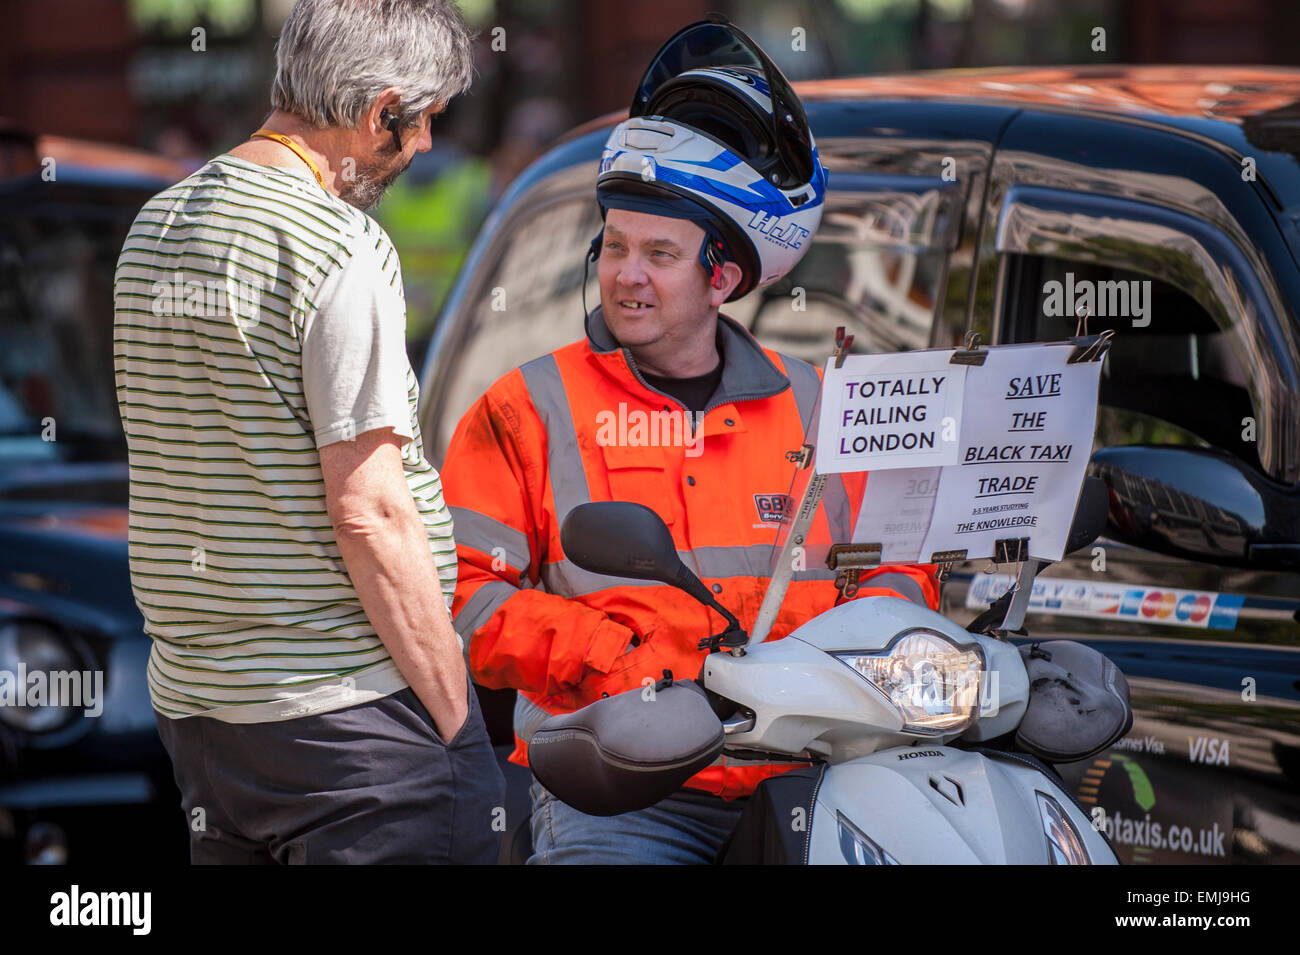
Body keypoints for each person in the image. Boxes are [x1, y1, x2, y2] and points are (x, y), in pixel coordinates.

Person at [441, 19, 940, 864]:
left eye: (660, 253)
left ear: (724, 276)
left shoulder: (816, 405)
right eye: (617, 247)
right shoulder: (524, 406)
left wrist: (889, 634)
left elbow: (892, 565)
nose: (627, 273)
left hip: (814, 778)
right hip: (620, 796)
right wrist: (616, 657)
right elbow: (463, 601)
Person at [112, 0, 503, 864]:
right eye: (425, 121)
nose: (428, 146)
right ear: (381, 112)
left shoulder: (157, 225)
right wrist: (455, 716)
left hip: (205, 718)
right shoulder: (337, 244)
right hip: (350, 728)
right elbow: (372, 514)